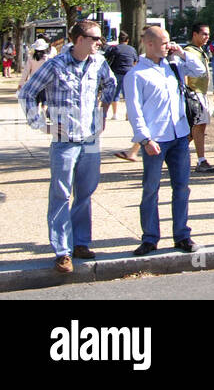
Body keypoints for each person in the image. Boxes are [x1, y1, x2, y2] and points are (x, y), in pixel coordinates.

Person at [17, 20, 115, 272]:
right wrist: (42, 125)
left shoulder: (99, 62)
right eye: (94, 38)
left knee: (85, 192)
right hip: (64, 141)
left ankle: (81, 242)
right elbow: (27, 93)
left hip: (90, 139)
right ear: (79, 39)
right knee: (61, 195)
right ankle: (62, 251)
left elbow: (111, 84)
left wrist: (102, 112)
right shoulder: (55, 64)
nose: (99, 42)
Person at [123, 25, 204, 255]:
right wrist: (144, 139)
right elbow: (135, 110)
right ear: (149, 44)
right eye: (164, 41)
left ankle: (182, 235)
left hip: (179, 135)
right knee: (151, 188)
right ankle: (150, 237)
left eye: (169, 40)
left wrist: (182, 53)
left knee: (182, 188)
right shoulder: (136, 74)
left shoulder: (173, 65)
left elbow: (199, 71)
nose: (168, 45)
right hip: (155, 139)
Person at [182, 24, 214, 173]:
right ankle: (201, 160)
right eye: (204, 34)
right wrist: (186, 93)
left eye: (208, 34)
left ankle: (173, 153)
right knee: (199, 127)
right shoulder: (189, 51)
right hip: (194, 93)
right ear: (194, 34)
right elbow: (184, 72)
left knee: (194, 129)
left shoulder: (199, 50)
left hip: (200, 93)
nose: (207, 37)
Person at [104, 32, 138, 143]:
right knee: (128, 95)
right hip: (128, 73)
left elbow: (108, 59)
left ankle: (114, 114)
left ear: (119, 39)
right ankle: (128, 115)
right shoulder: (132, 49)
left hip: (116, 72)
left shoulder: (115, 48)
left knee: (115, 94)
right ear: (127, 40)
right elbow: (135, 61)